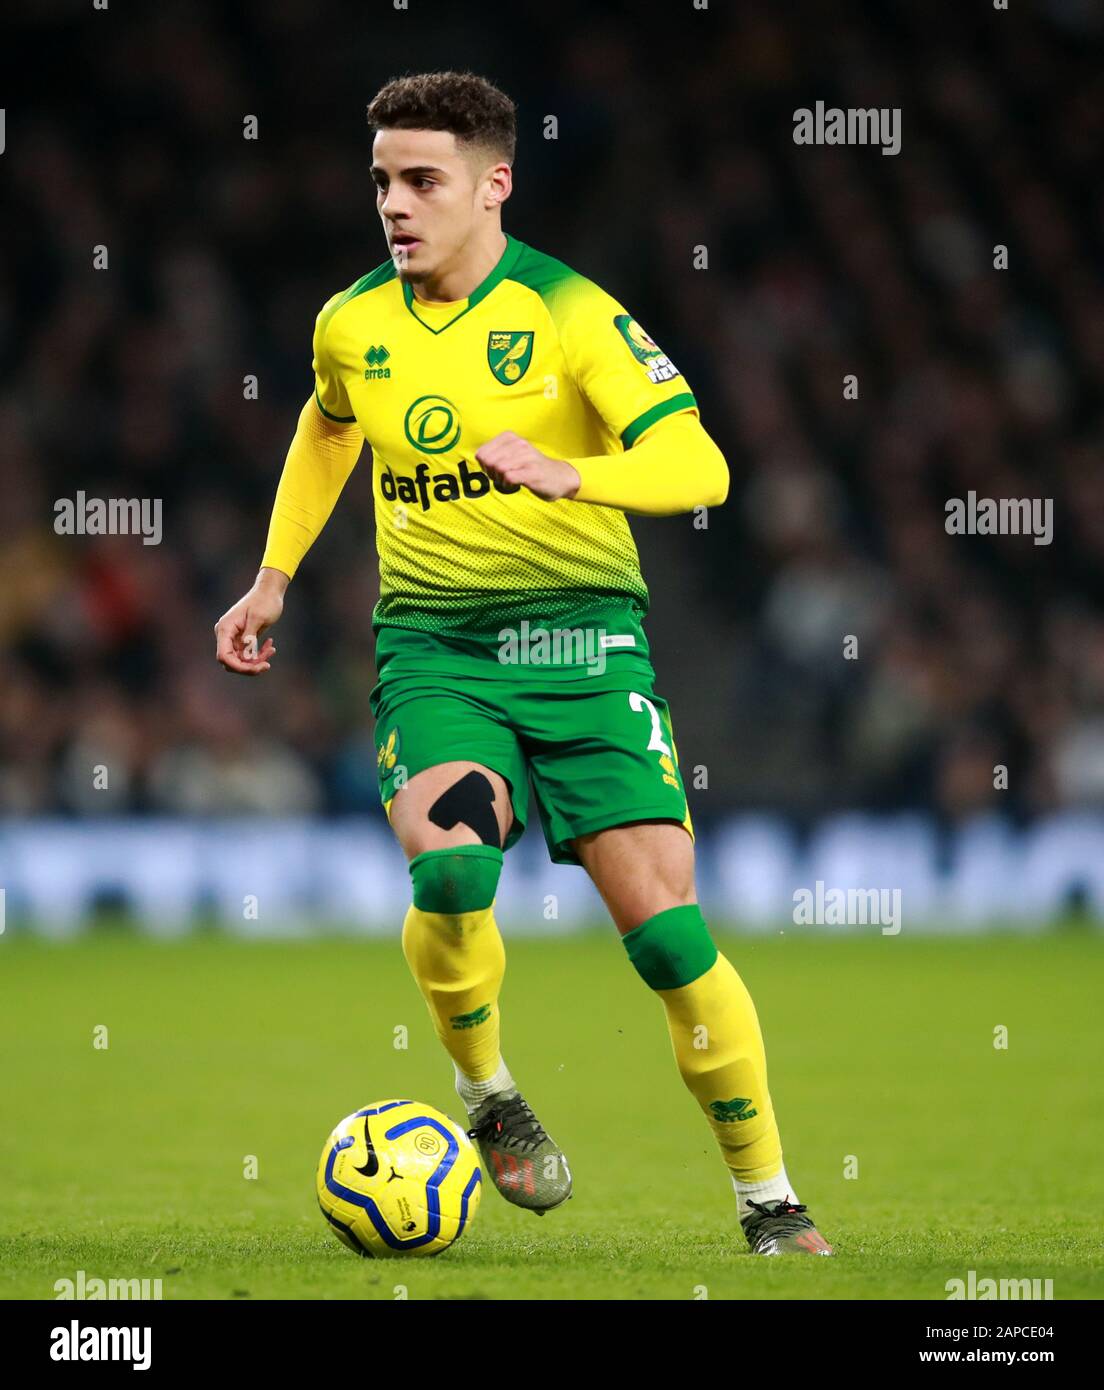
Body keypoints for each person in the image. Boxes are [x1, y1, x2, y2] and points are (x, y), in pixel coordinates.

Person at [215, 69, 831, 1256]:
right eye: (384, 180)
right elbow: (325, 422)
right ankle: (489, 1089)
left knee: (667, 935)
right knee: (451, 876)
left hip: (589, 644)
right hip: (438, 646)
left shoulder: (569, 313)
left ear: (494, 185)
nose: (395, 204)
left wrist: (574, 473)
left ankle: (769, 1199)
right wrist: (276, 573)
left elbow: (699, 467)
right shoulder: (352, 322)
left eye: (423, 181)